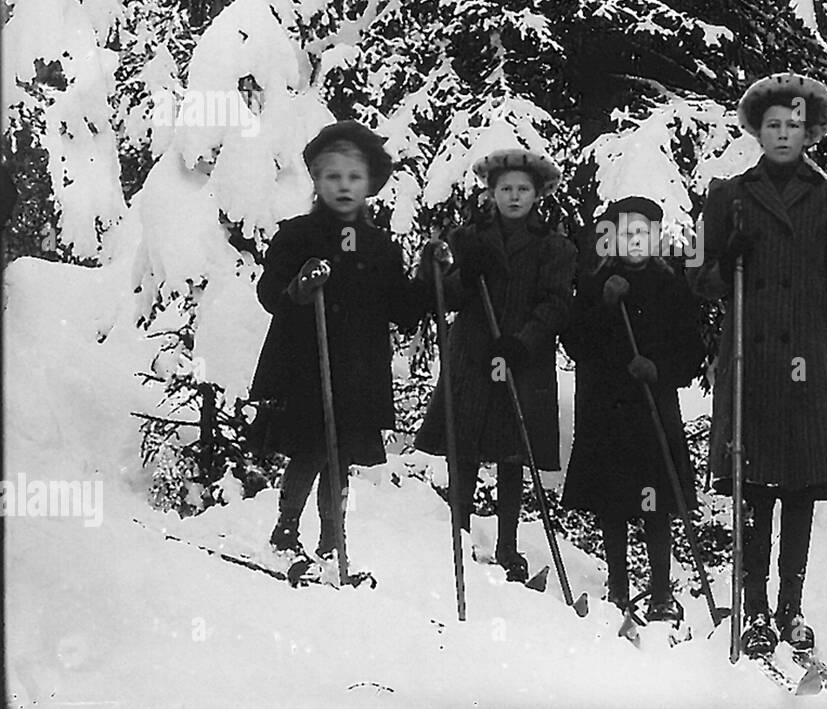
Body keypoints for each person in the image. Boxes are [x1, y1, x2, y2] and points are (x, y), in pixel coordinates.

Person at [689, 72, 827, 656]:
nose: (782, 134)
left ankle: (791, 608)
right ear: (756, 130)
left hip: (810, 357)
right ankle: (754, 607)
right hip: (753, 356)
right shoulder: (727, 196)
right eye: (772, 125)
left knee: (800, 486)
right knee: (754, 486)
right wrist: (727, 266)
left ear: (810, 132)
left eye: (793, 126)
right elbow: (698, 275)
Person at [251, 119, 436, 560]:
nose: (344, 186)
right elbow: (269, 294)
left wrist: (431, 278)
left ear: (370, 184)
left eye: (354, 177)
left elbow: (403, 310)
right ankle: (286, 529)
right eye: (332, 176)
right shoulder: (296, 235)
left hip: (357, 371)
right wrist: (298, 285)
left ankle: (333, 539)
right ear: (315, 179)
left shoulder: (381, 248)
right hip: (305, 365)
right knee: (309, 450)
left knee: (339, 459)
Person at [414, 148, 576, 583]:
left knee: (512, 453)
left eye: (523, 189)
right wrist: (451, 273)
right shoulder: (468, 238)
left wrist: (522, 344)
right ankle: (459, 533)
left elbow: (557, 302)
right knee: (463, 447)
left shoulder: (553, 246)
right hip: (473, 351)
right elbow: (445, 294)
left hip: (524, 357)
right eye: (506, 188)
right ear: (491, 192)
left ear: (538, 194)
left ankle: (508, 546)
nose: (514, 196)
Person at [560, 197, 706, 621]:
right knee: (614, 503)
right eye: (627, 233)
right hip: (608, 412)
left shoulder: (671, 285)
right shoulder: (596, 284)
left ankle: (660, 589)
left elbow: (692, 349)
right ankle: (618, 586)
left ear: (657, 238)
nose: (635, 240)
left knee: (655, 502)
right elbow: (575, 342)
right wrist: (603, 303)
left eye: (644, 233)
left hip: (653, 412)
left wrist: (658, 368)